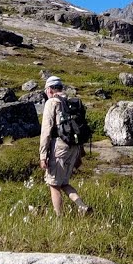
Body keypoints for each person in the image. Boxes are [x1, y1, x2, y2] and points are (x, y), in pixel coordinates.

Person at [38, 75, 92, 216]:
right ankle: (82, 206)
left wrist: (43, 155)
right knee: (64, 183)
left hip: (59, 148)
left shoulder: (52, 103)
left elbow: (46, 131)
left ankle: (59, 218)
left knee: (54, 184)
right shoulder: (72, 102)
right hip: (74, 147)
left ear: (49, 89)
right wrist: (80, 153)